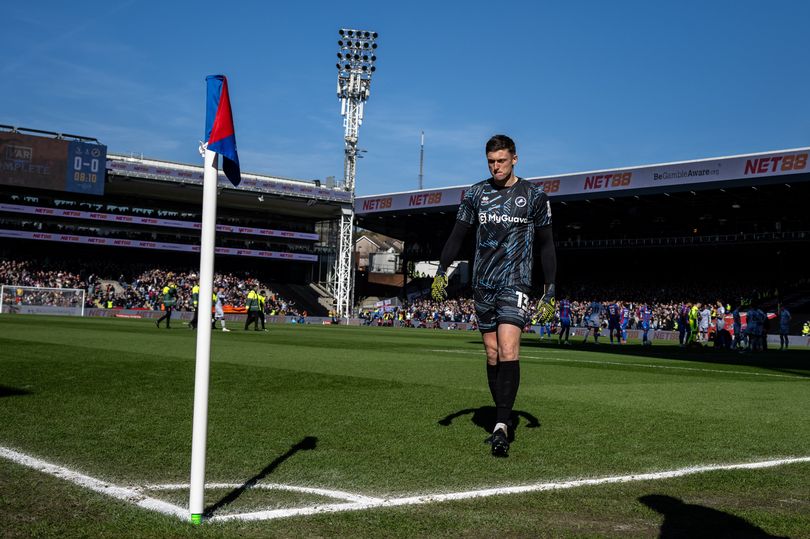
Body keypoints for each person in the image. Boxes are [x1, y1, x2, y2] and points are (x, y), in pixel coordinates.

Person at [432, 134, 556, 458]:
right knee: (491, 353)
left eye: (501, 160)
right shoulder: (476, 194)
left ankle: (501, 426)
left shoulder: (534, 196)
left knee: (508, 347)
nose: (496, 166)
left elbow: (546, 244)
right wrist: (441, 271)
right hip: (482, 283)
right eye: (491, 161)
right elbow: (457, 234)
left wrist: (550, 288)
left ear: (515, 158)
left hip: (515, 282)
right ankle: (502, 415)